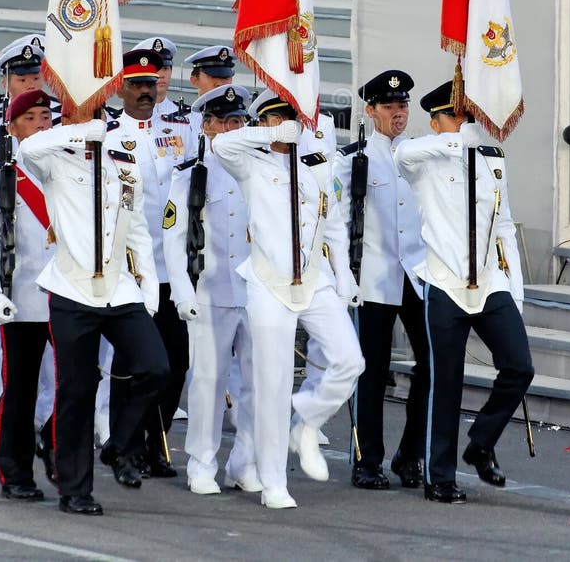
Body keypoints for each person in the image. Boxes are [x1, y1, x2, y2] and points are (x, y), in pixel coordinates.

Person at [213, 89, 364, 509]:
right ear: (263, 122)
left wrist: (344, 276)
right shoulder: (250, 164)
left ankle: (307, 421)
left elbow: (332, 224)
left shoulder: (316, 164)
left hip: (314, 279)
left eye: (291, 119)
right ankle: (272, 479)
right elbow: (222, 143)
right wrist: (268, 133)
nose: (287, 127)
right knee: (272, 383)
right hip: (268, 280)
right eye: (277, 120)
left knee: (350, 360)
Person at [20, 107, 170, 515]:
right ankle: (75, 489)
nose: (93, 123)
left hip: (119, 289)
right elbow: (27, 147)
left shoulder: (124, 165)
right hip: (72, 287)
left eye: (96, 116)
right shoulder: (53, 157)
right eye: (81, 116)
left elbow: (136, 229)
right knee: (78, 389)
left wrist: (150, 290)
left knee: (156, 367)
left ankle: (117, 445)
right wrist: (76, 131)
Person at [393, 80, 533, 504]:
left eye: (468, 116)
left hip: (490, 283)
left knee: (519, 367)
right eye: (456, 116)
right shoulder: (423, 156)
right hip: (446, 283)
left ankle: (480, 442)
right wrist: (455, 143)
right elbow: (402, 155)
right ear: (436, 122)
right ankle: (440, 476)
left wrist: (516, 288)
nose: (466, 123)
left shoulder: (492, 160)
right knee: (445, 382)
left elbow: (504, 223)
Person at [333, 70, 429, 491]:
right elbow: (337, 222)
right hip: (372, 276)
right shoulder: (352, 158)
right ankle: (366, 458)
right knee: (371, 371)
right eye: (389, 106)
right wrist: (341, 277)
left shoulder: (420, 154)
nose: (398, 113)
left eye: (403, 105)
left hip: (417, 274)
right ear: (370, 111)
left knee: (431, 364)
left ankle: (411, 454)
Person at [164, 83, 258, 495]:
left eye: (237, 120)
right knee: (208, 381)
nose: (231, 128)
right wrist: (183, 292)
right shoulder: (190, 175)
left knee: (258, 384)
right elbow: (173, 236)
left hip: (255, 291)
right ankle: (202, 463)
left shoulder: (260, 168)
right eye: (223, 121)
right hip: (210, 291)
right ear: (206, 126)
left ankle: (245, 462)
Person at [103, 48, 192, 479]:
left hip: (173, 267)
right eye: (136, 84)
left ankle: (157, 443)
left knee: (176, 361)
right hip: (130, 269)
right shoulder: (109, 133)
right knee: (131, 362)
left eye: (151, 84)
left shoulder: (180, 132)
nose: (144, 92)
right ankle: (126, 445)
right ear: (120, 87)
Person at [0, 89, 55, 500]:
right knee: (20, 390)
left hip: (68, 297)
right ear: (12, 129)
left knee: (76, 385)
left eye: (46, 116)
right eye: (31, 118)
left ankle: (59, 452)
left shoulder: (70, 167)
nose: (41, 123)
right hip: (22, 296)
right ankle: (16, 473)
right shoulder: (0, 177)